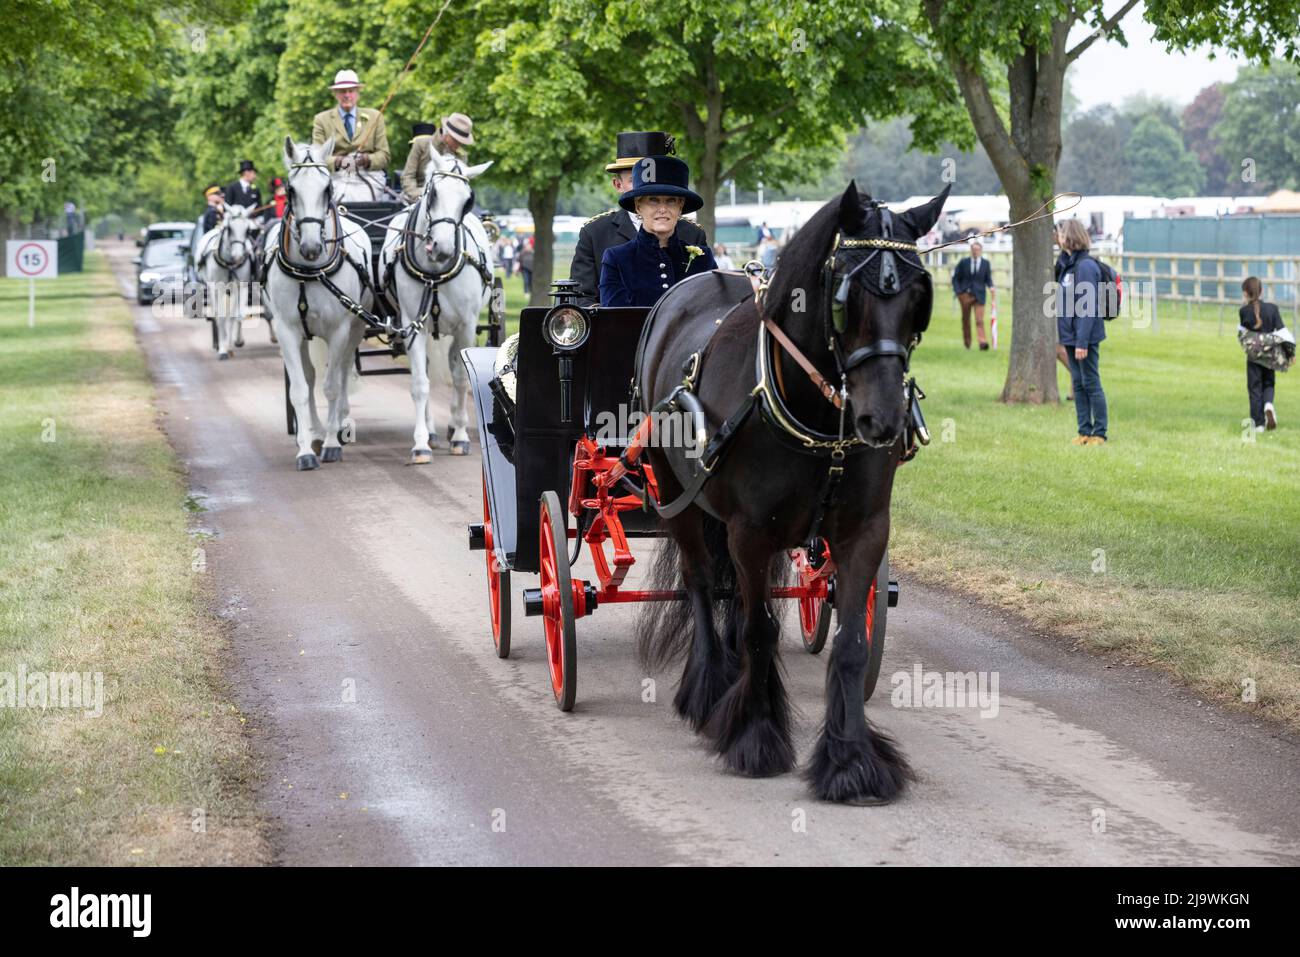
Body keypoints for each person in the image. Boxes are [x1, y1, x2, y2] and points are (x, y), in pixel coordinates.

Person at [570, 130, 707, 305]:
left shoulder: (692, 233)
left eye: (655, 182)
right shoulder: (595, 233)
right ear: (617, 185)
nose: (646, 189)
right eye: (635, 181)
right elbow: (581, 299)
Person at [599, 154, 718, 308]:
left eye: (671, 201)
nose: (663, 209)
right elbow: (615, 319)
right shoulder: (617, 259)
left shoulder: (702, 259)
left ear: (680, 207)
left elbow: (715, 312)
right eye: (653, 200)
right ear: (638, 206)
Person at [1055, 219, 1107, 445]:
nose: (1058, 237)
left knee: (1091, 382)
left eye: (1061, 234)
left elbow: (1088, 306)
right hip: (1069, 336)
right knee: (1077, 383)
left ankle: (1100, 432)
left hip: (1084, 336)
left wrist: (1082, 342)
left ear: (1070, 237)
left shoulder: (1086, 266)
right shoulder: (1067, 265)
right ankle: (1084, 430)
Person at [311, 69, 391, 175]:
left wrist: (365, 159)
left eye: (351, 91)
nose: (347, 95)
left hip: (369, 175)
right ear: (335, 94)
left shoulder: (375, 117)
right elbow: (317, 156)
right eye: (342, 91)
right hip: (336, 176)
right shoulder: (321, 120)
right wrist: (340, 161)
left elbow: (384, 155)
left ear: (358, 93)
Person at [1239, 276, 1287, 431]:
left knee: (1254, 388)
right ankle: (1268, 404)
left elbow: (1243, 335)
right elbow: (1282, 331)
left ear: (1246, 293)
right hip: (1270, 355)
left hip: (1253, 356)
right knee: (1268, 383)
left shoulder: (1243, 311)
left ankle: (1258, 424)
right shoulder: (1273, 309)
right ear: (1262, 291)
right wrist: (1289, 354)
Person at [401, 114, 475, 202]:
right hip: (415, 200)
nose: (458, 145)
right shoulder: (421, 145)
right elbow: (408, 176)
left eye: (461, 142)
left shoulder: (461, 156)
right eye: (456, 140)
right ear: (446, 133)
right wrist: (418, 194)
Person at [951, 240, 994, 350]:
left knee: (979, 320)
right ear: (971, 250)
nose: (975, 252)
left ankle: (982, 343)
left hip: (979, 295)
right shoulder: (963, 262)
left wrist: (991, 287)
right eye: (973, 250)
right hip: (965, 295)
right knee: (966, 320)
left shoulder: (986, 263)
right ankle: (967, 343)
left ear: (981, 251)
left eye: (977, 250)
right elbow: (955, 278)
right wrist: (959, 292)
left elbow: (988, 279)